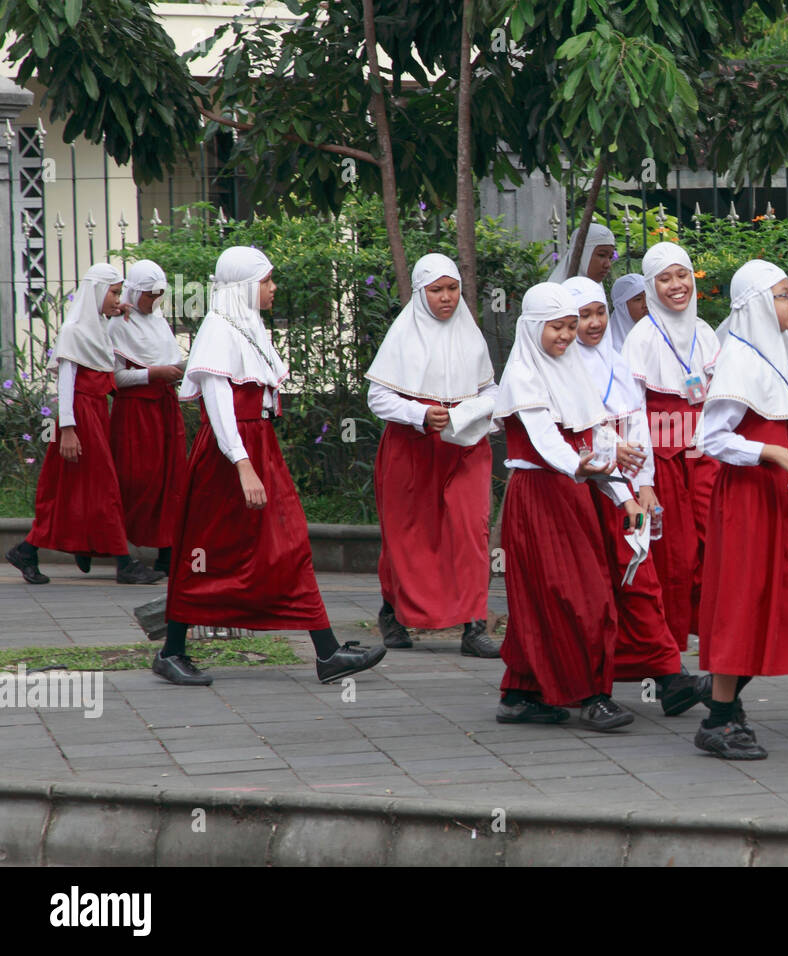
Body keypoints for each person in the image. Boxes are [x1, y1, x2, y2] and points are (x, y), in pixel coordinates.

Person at [153, 246, 385, 687]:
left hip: (258, 446)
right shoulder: (219, 331)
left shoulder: (248, 327)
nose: (273, 287)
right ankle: (172, 650)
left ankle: (327, 650)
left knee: (288, 542)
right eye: (266, 280)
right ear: (243, 286)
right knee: (204, 549)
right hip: (229, 456)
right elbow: (219, 408)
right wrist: (242, 465)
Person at [493, 282, 646, 731]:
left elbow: (595, 432)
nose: (565, 335)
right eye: (556, 327)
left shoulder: (572, 366)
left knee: (557, 596)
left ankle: (520, 693)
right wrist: (583, 464)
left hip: (574, 494)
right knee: (578, 597)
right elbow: (548, 442)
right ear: (533, 327)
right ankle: (591, 696)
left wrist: (624, 494)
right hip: (540, 497)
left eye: (569, 326)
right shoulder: (522, 375)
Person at [693, 259, 788, 760]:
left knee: (780, 601)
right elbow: (713, 439)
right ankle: (719, 720)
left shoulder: (780, 357)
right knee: (742, 602)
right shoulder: (740, 360)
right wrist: (771, 454)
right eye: (783, 295)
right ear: (755, 306)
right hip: (748, 499)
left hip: (779, 496)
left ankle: (727, 701)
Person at [564, 275, 709, 717]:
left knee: (640, 580)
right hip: (580, 494)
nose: (592, 325)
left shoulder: (615, 361)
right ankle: (585, 680)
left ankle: (668, 675)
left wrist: (644, 482)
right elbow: (562, 434)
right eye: (581, 317)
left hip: (623, 491)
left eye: (598, 314)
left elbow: (638, 424)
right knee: (589, 592)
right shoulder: (559, 367)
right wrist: (607, 453)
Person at [365, 253, 500, 657]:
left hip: (465, 447)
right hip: (414, 448)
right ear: (421, 294)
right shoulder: (403, 335)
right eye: (436, 290)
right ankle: (393, 610)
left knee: (471, 528)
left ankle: (474, 624)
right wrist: (420, 413)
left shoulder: (470, 334)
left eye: (453, 288)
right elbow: (378, 397)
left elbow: (490, 390)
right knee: (407, 534)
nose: (446, 298)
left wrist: (473, 413)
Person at [6, 264, 165, 586]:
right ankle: (124, 563)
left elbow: (105, 329)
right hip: (80, 417)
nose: (118, 299)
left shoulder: (95, 329)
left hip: (94, 415)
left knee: (77, 492)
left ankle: (28, 549)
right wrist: (67, 429)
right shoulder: (74, 332)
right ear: (96, 292)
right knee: (105, 488)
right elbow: (66, 383)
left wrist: (117, 309)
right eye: (114, 292)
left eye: (120, 293)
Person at [620, 242, 722, 650]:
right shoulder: (641, 338)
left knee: (711, 542)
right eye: (665, 279)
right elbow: (632, 412)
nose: (677, 286)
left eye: (682, 275)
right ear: (650, 286)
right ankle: (669, 643)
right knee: (674, 553)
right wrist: (642, 479)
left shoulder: (705, 332)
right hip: (661, 459)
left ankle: (713, 632)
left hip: (704, 454)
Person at [107, 259, 188, 576]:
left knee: (171, 480)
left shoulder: (158, 322)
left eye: (159, 295)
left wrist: (177, 371)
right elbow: (115, 379)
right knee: (138, 481)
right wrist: (152, 374)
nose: (154, 302)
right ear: (136, 290)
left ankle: (167, 553)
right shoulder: (119, 325)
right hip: (136, 413)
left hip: (165, 408)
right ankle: (113, 548)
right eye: (149, 295)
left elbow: (168, 361)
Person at [548, 224, 617, 284]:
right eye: (601, 255)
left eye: (610, 257)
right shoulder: (556, 293)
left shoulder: (596, 290)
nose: (607, 265)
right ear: (582, 254)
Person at [608, 273, 648, 352]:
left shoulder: (658, 336)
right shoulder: (612, 348)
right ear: (623, 307)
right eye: (638, 299)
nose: (646, 305)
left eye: (648, 297)